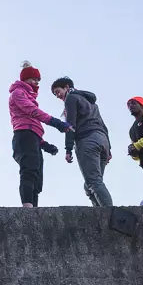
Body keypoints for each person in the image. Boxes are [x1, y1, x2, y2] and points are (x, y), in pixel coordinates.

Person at [9, 62, 71, 208]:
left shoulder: (29, 96)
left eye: (38, 80)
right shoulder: (18, 93)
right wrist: (55, 122)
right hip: (24, 136)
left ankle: (34, 209)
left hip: (32, 137)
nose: (37, 83)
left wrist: (44, 144)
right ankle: (27, 207)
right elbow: (32, 112)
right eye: (34, 79)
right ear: (25, 79)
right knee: (29, 169)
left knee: (37, 175)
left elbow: (32, 125)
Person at [50, 77, 114, 207]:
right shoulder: (91, 102)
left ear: (66, 87)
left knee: (93, 182)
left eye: (57, 92)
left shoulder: (71, 98)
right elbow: (103, 124)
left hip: (87, 140)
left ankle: (110, 216)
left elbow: (70, 125)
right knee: (89, 186)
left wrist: (68, 149)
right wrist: (109, 149)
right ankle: (99, 215)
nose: (57, 96)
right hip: (102, 141)